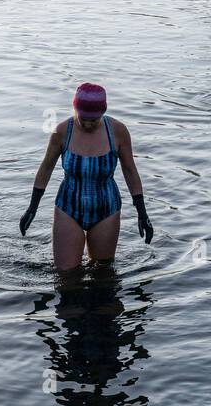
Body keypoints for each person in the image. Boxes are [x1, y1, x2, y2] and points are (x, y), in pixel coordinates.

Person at [19, 82, 153, 269]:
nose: (89, 124)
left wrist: (142, 212)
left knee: (103, 272)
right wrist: (32, 207)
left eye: (94, 119)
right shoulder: (62, 131)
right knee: (66, 276)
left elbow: (130, 170)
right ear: (75, 109)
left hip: (106, 209)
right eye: (84, 119)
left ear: (103, 113)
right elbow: (46, 167)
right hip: (69, 208)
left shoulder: (118, 131)